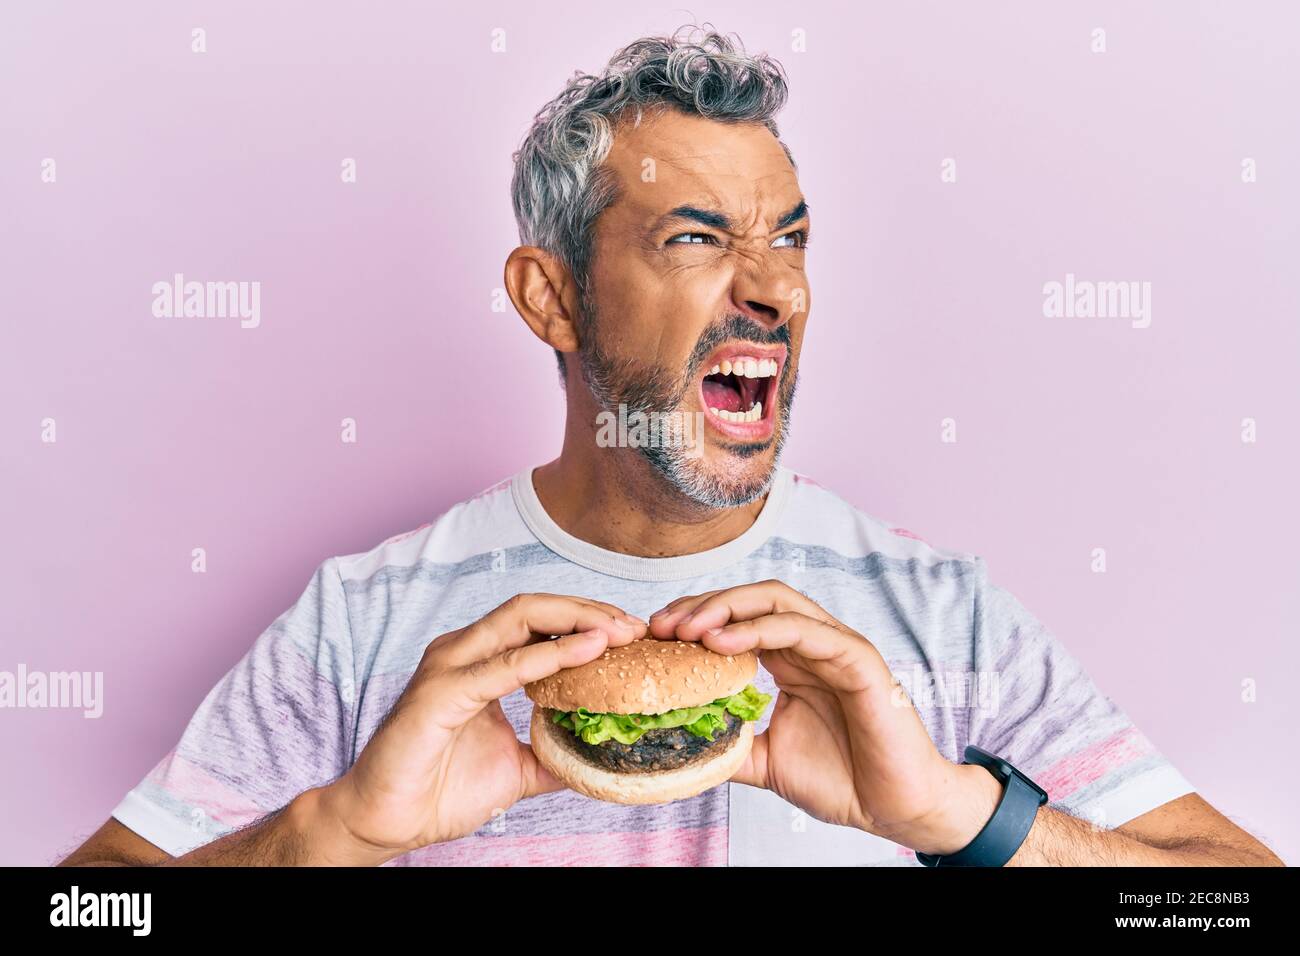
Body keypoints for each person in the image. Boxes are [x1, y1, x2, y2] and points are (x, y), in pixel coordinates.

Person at [62, 27, 1281, 867]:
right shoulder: (366, 621)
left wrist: (964, 813)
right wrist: (330, 831)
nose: (776, 292)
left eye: (790, 241)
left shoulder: (934, 614)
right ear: (550, 298)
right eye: (697, 239)